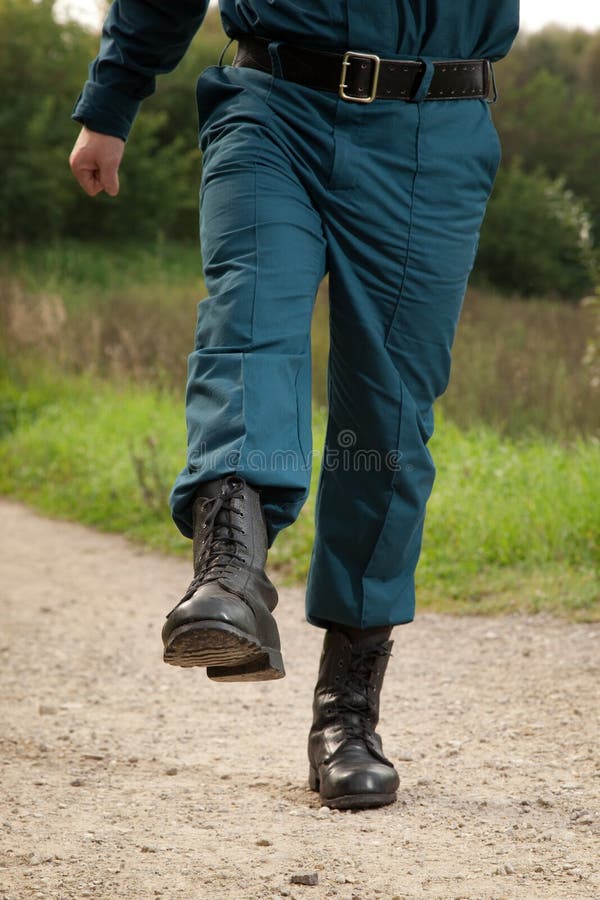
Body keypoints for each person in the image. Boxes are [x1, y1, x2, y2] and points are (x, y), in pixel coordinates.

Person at [70, 0, 519, 811]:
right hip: (274, 103)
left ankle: (347, 714)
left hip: (436, 127)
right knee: (248, 320)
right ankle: (230, 573)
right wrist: (113, 95)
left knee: (386, 422)